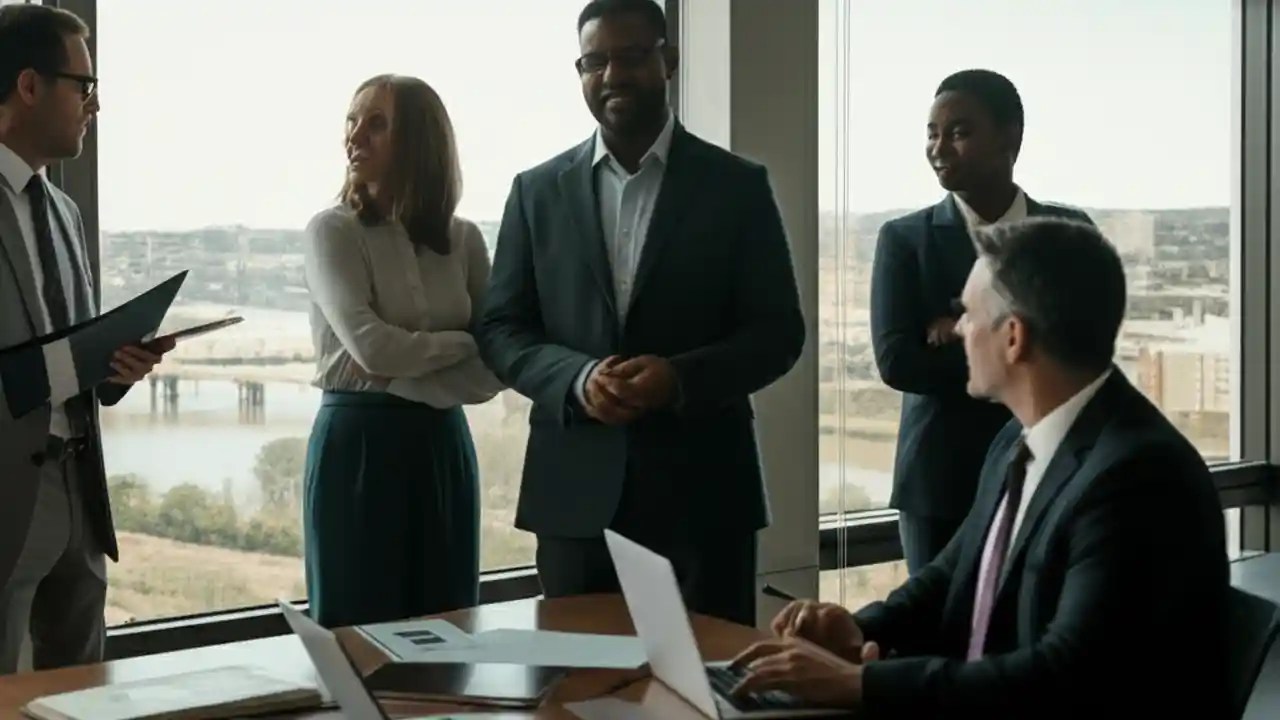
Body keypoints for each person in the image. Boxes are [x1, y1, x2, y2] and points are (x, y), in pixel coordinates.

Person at [730, 217, 1230, 717]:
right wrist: (863, 628)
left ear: (1014, 338)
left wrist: (862, 684)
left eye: (968, 314)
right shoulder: (1017, 438)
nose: (960, 329)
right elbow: (952, 575)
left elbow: (1064, 676)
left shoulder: (1139, 478)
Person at [476, 0, 804, 628]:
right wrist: (576, 378)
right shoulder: (535, 191)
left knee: (710, 692)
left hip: (706, 501)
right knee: (572, 688)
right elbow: (500, 328)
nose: (611, 76)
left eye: (629, 57)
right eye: (593, 61)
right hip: (572, 500)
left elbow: (778, 333)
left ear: (668, 61)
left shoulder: (737, 187)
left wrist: (678, 378)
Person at [0, 5, 172, 673]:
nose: (94, 106)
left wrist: (117, 369)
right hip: (9, 486)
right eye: (84, 86)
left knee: (83, 689)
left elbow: (76, 352)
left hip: (79, 486)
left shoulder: (66, 211)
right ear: (30, 85)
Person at [871, 69, 1093, 573]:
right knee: (940, 633)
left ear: (1010, 137)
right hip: (940, 483)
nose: (938, 147)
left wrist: (967, 332)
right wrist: (1024, 337)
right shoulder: (905, 239)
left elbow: (1085, 346)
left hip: (1048, 471)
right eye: (932, 133)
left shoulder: (1068, 232)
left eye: (959, 132)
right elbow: (898, 363)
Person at [302, 74, 502, 628]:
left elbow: (496, 364)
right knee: (359, 635)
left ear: (419, 140)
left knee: (449, 626)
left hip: (442, 448)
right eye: (351, 120)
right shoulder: (331, 232)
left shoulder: (464, 240)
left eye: (377, 123)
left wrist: (406, 368)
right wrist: (460, 343)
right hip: (358, 450)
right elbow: (371, 349)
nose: (355, 136)